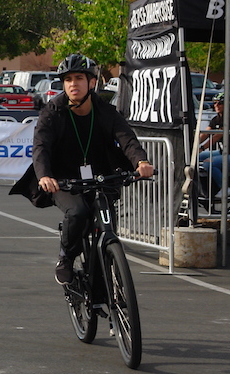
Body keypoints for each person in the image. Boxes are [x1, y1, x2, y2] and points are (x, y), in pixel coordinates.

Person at [25, 53, 154, 284]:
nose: (73, 84)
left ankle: (105, 267)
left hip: (100, 175)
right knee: (78, 213)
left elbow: (127, 139)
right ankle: (66, 257)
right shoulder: (52, 112)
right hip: (63, 179)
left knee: (107, 220)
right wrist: (44, 175)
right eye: (68, 79)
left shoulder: (105, 111)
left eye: (79, 78)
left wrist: (141, 162)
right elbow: (41, 146)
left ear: (92, 82)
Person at [197, 94, 230, 198]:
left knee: (208, 164)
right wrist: (193, 144)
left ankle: (225, 188)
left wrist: (201, 148)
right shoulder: (216, 119)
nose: (216, 105)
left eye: (220, 103)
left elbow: (217, 136)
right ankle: (199, 187)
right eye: (215, 102)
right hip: (222, 152)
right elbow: (205, 134)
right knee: (196, 158)